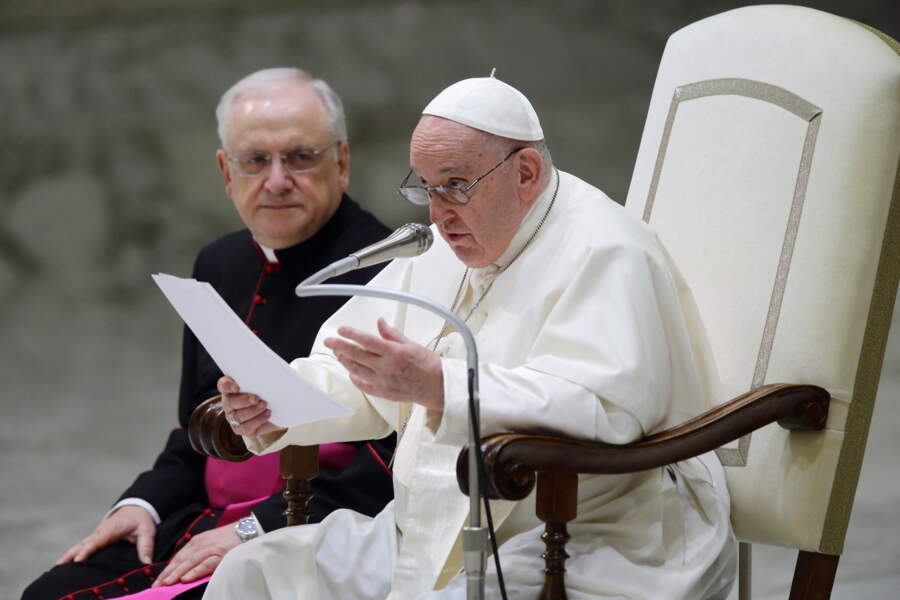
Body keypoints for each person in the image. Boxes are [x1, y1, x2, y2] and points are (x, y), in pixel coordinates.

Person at [207, 75, 738, 599]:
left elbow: (604, 410)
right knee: (252, 572)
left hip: (582, 538)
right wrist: (275, 402)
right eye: (426, 188)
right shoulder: (443, 244)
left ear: (526, 172)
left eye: (457, 186)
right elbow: (356, 367)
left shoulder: (609, 252)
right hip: (436, 527)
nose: (438, 215)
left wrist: (442, 386)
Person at [22, 68, 396, 600]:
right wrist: (142, 503)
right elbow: (196, 426)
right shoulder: (219, 263)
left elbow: (396, 457)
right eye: (254, 160)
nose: (276, 180)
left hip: (315, 529)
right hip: (200, 519)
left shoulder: (389, 273)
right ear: (225, 170)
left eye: (301, 157)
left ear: (342, 163)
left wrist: (255, 528)